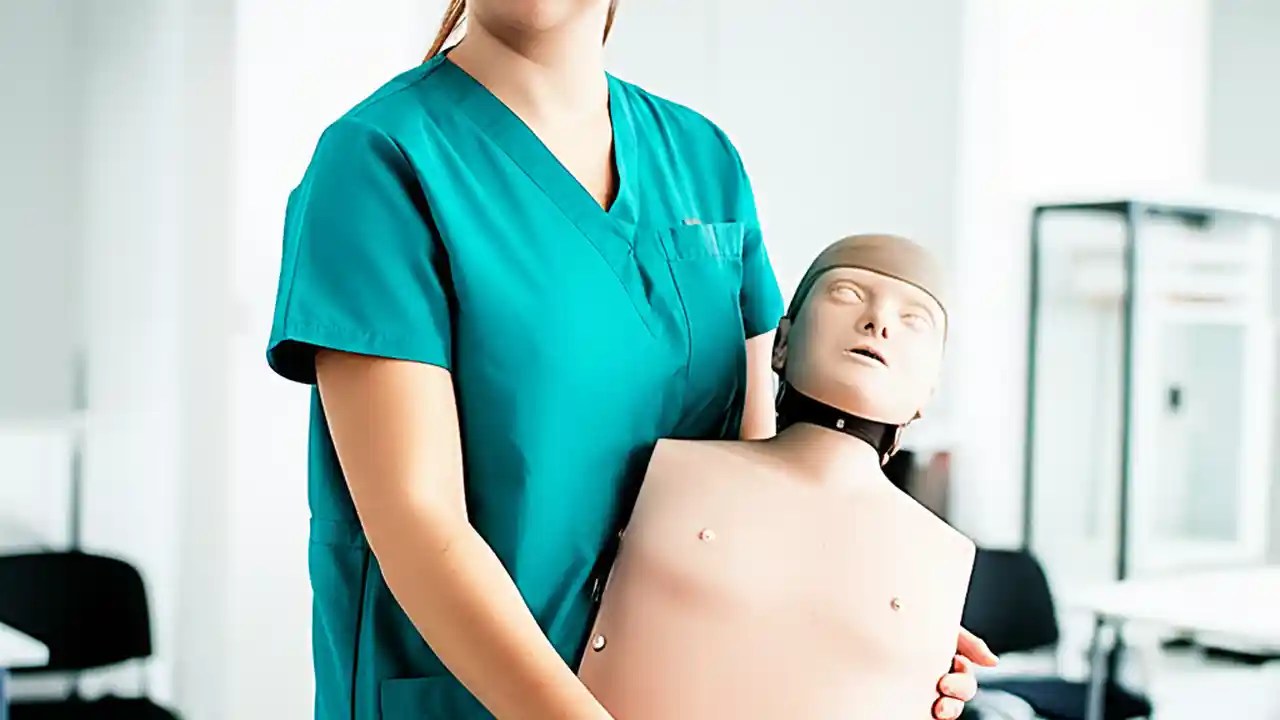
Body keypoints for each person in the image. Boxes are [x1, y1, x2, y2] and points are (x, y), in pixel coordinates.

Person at [265, 1, 994, 718]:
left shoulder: (703, 162)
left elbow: (758, 494)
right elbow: (418, 525)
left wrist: (874, 634)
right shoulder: (381, 159)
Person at [578, 234, 977, 718]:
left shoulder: (936, 556)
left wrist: (918, 657)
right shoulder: (669, 471)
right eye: (848, 293)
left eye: (914, 320)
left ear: (929, 389)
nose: (878, 324)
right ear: (781, 342)